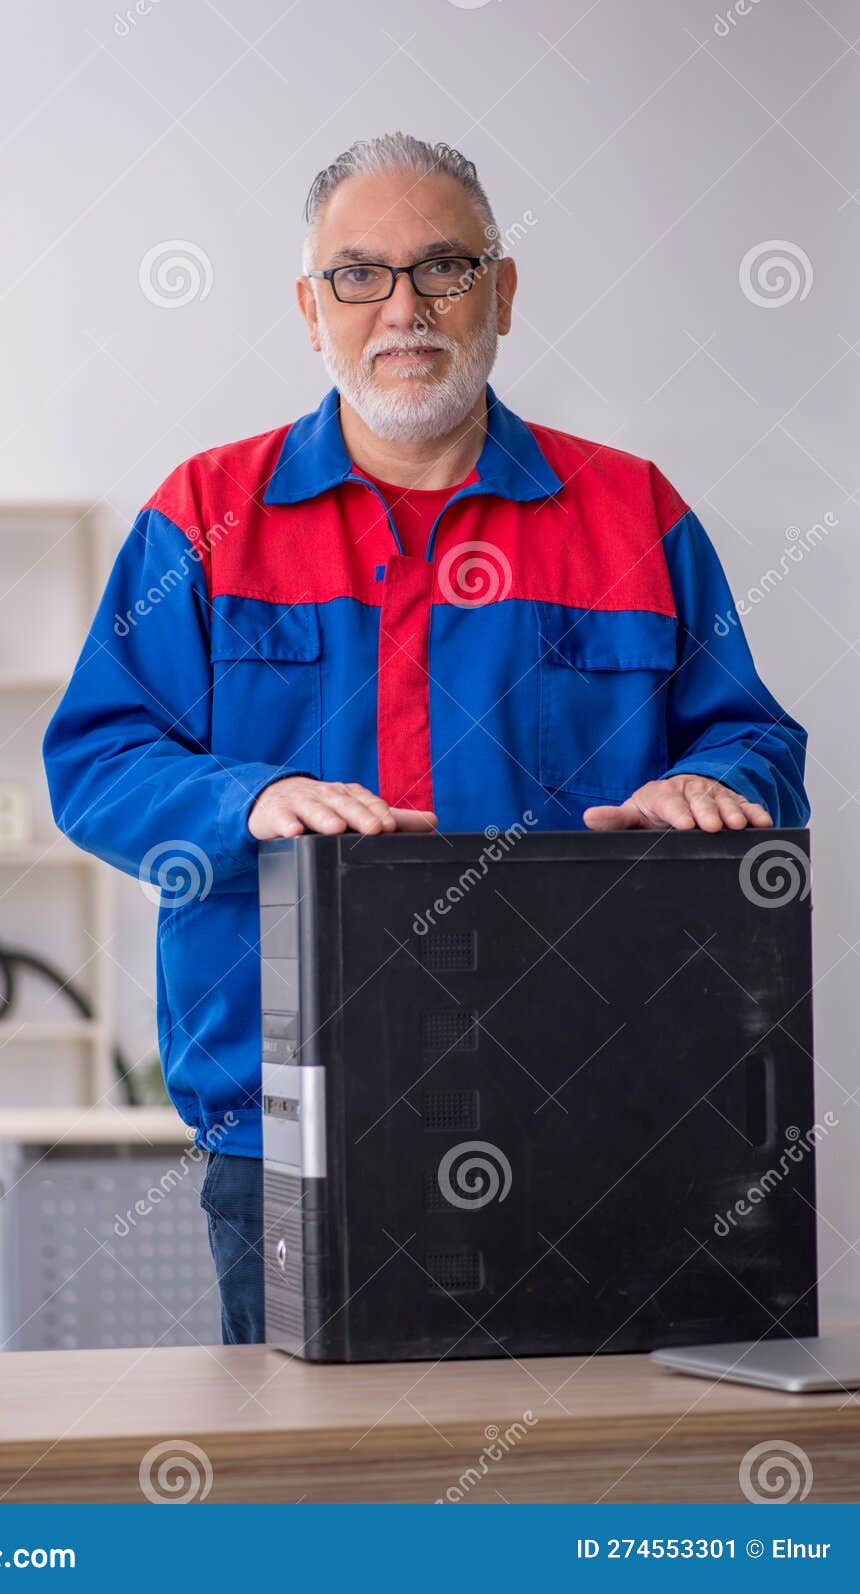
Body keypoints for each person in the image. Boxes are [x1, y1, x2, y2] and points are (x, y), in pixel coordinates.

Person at [43, 132, 809, 1346]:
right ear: (312, 309)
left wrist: (711, 784)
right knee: (315, 1460)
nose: (403, 307)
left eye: (443, 267)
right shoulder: (206, 518)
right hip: (292, 1125)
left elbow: (752, 739)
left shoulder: (633, 515)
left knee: (600, 1450)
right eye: (359, 274)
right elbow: (96, 762)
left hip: (601, 1115)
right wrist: (250, 800)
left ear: (501, 292)